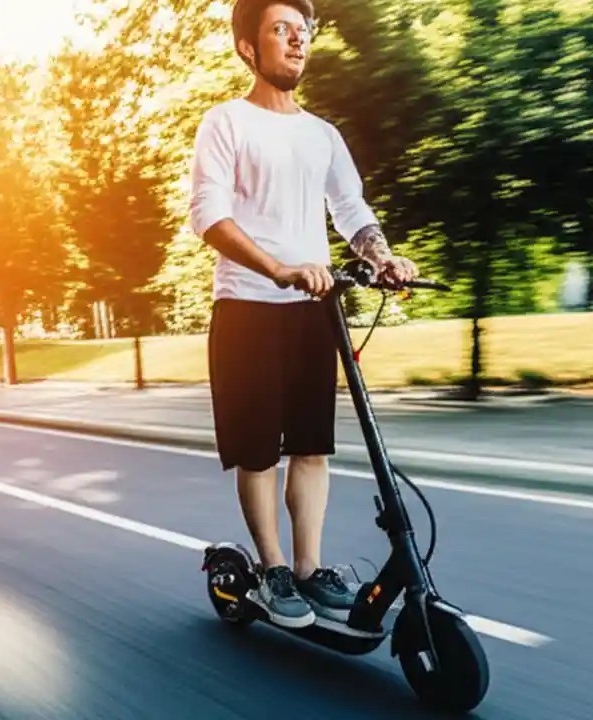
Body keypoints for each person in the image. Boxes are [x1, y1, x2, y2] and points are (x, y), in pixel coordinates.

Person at [187, 0, 419, 629]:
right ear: (248, 49)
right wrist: (279, 269)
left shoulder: (322, 134)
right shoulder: (226, 122)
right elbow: (209, 216)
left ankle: (310, 570)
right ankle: (271, 570)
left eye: (303, 31)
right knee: (259, 453)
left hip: (313, 314)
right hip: (247, 308)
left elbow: (352, 210)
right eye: (280, 31)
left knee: (313, 448)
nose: (296, 41)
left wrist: (384, 258)